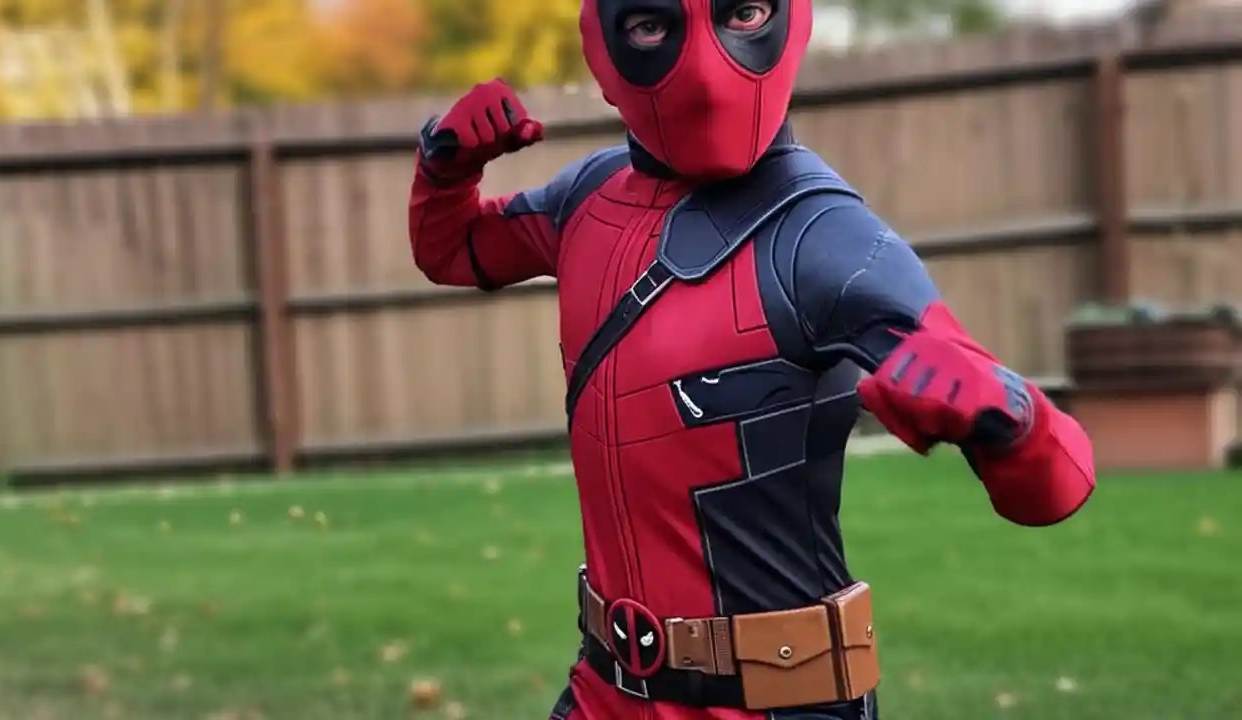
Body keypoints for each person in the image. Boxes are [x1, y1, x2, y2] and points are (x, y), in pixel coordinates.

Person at [407, 1, 1097, 717]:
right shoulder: (588, 200)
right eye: (652, 25)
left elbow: (1057, 488)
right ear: (603, 44)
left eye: (744, 11)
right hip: (606, 687)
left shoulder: (825, 241)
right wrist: (445, 167)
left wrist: (1013, 420)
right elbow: (454, 249)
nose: (706, 75)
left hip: (776, 699)